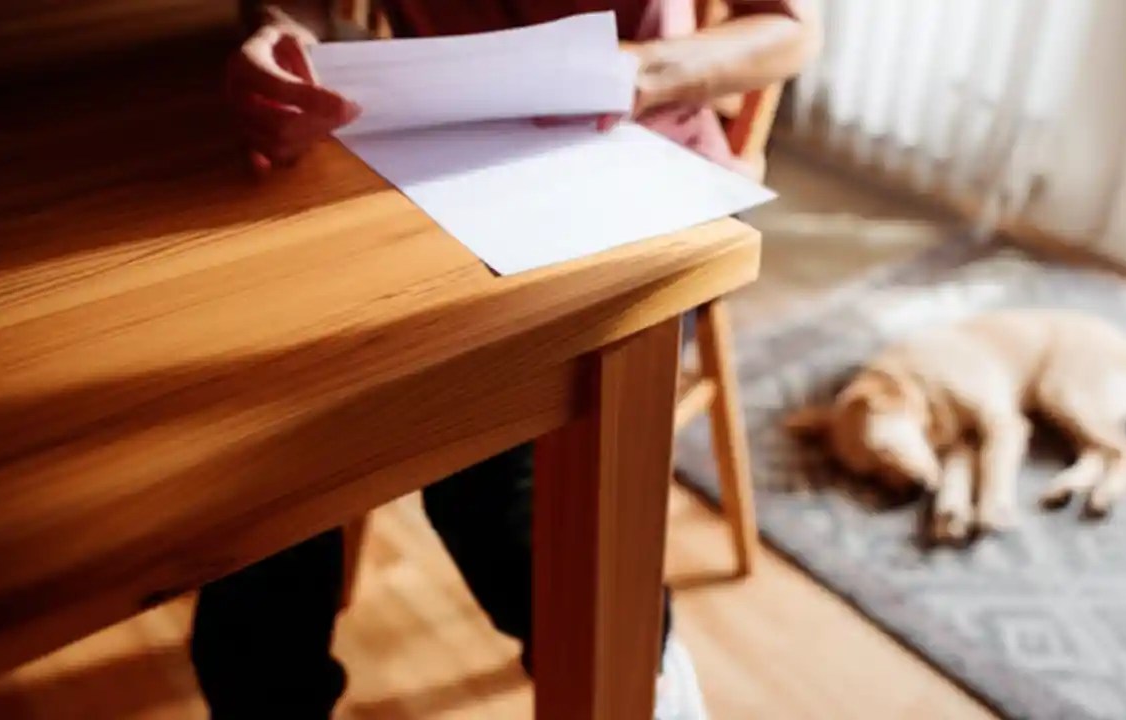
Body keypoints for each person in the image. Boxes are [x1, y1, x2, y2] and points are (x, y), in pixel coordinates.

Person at [194, 2, 815, 718]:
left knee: (489, 488)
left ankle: (640, 670)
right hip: (429, 165)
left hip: (641, 176)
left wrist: (643, 68)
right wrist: (283, 33)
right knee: (272, 450)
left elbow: (792, 27)